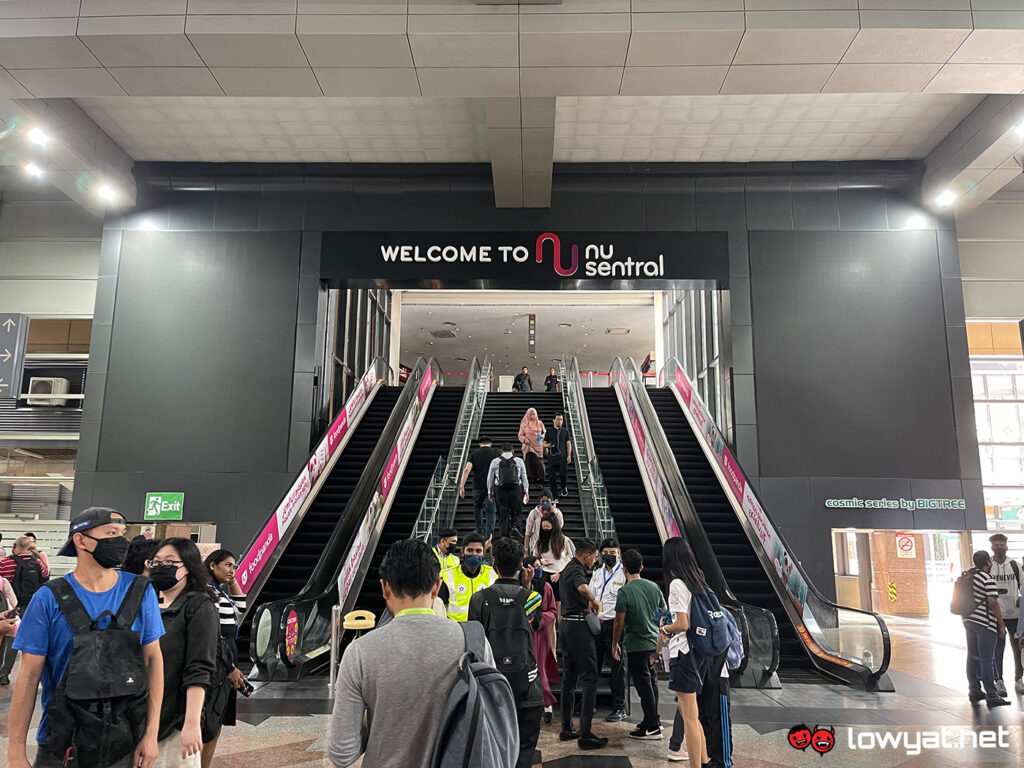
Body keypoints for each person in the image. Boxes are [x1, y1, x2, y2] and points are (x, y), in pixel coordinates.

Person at [7, 507, 165, 768]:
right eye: (111, 533)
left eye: (122, 534)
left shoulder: (140, 592)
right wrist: (15, 752)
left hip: (125, 741)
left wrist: (151, 734)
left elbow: (154, 662)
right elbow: (27, 677)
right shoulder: (48, 597)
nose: (120, 541)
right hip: (62, 743)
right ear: (80, 540)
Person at [328, 538, 494, 768]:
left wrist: (376, 717)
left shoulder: (359, 653)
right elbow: (491, 726)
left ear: (385, 588)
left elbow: (341, 753)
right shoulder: (475, 643)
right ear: (436, 587)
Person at [469, 537, 543, 768]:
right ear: (521, 565)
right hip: (528, 687)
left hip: (491, 687)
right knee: (524, 749)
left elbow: (475, 643)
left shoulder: (479, 599)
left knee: (491, 750)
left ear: (493, 564)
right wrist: (527, 587)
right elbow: (535, 624)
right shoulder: (531, 598)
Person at [151, 538, 220, 768]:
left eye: (170, 562)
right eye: (157, 562)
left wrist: (191, 723)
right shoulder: (146, 603)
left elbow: (199, 668)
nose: (161, 567)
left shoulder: (198, 606)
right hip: (140, 721)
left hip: (174, 723)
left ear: (188, 566)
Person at [661, 536, 710, 766]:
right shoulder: (698, 579)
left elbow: (682, 623)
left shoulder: (677, 584)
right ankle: (703, 760)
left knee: (689, 716)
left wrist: (665, 629)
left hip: (684, 652)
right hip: (698, 652)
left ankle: (696, 765)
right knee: (692, 713)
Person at [558, 537, 607, 751]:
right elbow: (582, 588)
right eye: (594, 557)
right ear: (586, 556)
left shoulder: (567, 568)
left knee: (569, 678)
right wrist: (594, 600)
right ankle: (586, 734)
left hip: (566, 627)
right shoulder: (576, 568)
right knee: (590, 677)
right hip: (579, 626)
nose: (594, 561)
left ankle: (567, 727)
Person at [612, 549, 666, 740]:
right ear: (641, 567)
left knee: (643, 685)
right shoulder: (653, 587)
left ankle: (652, 727)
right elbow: (664, 612)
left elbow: (619, 622)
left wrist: (614, 644)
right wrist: (655, 627)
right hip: (653, 643)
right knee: (651, 682)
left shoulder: (624, 592)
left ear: (624, 568)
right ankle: (653, 720)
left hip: (636, 644)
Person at [202, 549, 248, 768]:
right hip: (219, 659)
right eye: (228, 565)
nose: (232, 570)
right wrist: (228, 666)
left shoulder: (219, 591)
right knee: (211, 722)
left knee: (217, 720)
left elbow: (241, 608)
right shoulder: (209, 592)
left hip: (226, 654)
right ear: (213, 565)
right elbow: (213, 635)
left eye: (234, 566)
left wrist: (232, 580)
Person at [0, 535, 51, 686]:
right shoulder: (38, 563)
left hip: (11, 607)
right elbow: (46, 576)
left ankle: (1, 670)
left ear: (15, 546)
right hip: (32, 605)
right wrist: (36, 554)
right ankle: (6, 673)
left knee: (6, 636)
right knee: (20, 638)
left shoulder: (7, 563)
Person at [962, 550, 1010, 707]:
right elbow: (993, 602)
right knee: (987, 658)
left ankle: (974, 690)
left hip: (969, 620)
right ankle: (991, 694)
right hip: (985, 623)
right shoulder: (987, 578)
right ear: (988, 563)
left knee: (973, 656)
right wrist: (1001, 624)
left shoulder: (969, 575)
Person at [590, 538, 627, 722]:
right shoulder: (597, 573)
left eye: (613, 553)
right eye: (606, 553)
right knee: (593, 667)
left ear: (619, 554)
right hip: (597, 624)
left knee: (617, 669)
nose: (610, 556)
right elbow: (591, 596)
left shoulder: (624, 574)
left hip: (615, 626)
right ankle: (590, 704)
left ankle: (619, 707)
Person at [522, 554, 559, 724]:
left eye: (539, 566)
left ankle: (547, 706)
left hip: (541, 634)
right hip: (524, 633)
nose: (537, 569)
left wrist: (539, 621)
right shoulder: (520, 587)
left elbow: (552, 610)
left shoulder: (546, 587)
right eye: (534, 566)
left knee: (541, 669)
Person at [988, 533, 1022, 695]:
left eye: (1003, 544)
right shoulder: (989, 566)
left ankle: (1019, 678)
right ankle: (999, 680)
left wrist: (1020, 599)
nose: (1000, 547)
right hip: (996, 614)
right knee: (997, 649)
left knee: (1018, 649)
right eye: (997, 545)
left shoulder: (1015, 565)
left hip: (1015, 614)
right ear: (992, 547)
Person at [438, 532, 495, 622]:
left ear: (484, 553)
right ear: (462, 552)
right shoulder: (447, 575)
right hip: (456, 630)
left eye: (478, 551)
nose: (474, 554)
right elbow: (439, 606)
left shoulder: (493, 575)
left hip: (483, 631)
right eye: (470, 550)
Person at [460, 436, 501, 541]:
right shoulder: (496, 454)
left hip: (477, 486)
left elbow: (466, 470)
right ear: (490, 444)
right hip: (491, 487)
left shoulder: (474, 454)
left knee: (477, 508)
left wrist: (462, 485)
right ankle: (488, 535)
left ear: (479, 444)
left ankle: (479, 530)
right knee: (491, 510)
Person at [488, 443, 529, 538]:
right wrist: (526, 491)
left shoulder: (495, 461)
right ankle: (516, 528)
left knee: (503, 513)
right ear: (513, 450)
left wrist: (490, 492)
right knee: (517, 512)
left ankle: (504, 535)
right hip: (516, 489)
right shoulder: (519, 460)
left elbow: (490, 478)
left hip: (500, 490)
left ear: (501, 451)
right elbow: (524, 477)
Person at [533, 513, 575, 594]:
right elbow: (534, 558)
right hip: (544, 574)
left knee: (557, 600)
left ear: (554, 526)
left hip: (559, 574)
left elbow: (573, 561)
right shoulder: (540, 542)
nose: (546, 529)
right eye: (544, 527)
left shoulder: (565, 540)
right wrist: (540, 561)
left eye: (548, 527)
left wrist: (560, 574)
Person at [545, 412, 573, 498]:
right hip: (552, 458)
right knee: (552, 477)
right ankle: (555, 496)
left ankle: (563, 487)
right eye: (558, 419)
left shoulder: (565, 431)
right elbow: (544, 442)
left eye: (561, 420)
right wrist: (546, 445)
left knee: (563, 475)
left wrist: (569, 455)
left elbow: (568, 444)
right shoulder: (549, 431)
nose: (560, 422)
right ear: (554, 420)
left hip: (562, 457)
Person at [0, 570, 19, 684]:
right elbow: (14, 601)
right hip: (5, 621)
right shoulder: (3, 581)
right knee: (12, 634)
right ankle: (4, 673)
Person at [519, 408, 546, 484]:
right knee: (529, 461)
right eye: (530, 414)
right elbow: (520, 435)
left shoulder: (540, 423)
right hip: (528, 446)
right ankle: (531, 477)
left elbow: (544, 432)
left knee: (540, 462)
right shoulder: (524, 425)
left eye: (533, 414)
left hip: (538, 444)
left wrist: (542, 436)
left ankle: (541, 478)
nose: (532, 416)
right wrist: (524, 440)